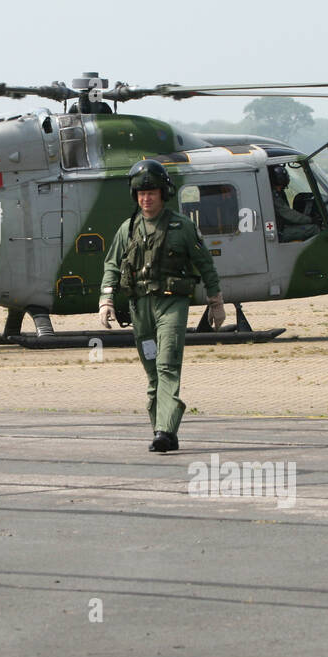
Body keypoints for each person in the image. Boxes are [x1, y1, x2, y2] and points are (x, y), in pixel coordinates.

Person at [98, 159, 225, 454]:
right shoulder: (128, 229)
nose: (146, 198)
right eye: (141, 193)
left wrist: (216, 302)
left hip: (171, 305)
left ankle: (164, 431)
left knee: (167, 365)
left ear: (163, 193)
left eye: (152, 192)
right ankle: (164, 430)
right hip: (140, 309)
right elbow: (112, 265)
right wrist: (106, 299)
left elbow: (205, 265)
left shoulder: (182, 227)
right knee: (153, 371)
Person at [269, 163, 320, 241]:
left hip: (279, 228)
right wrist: (311, 220)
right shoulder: (273, 196)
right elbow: (289, 214)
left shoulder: (273, 193)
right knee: (314, 229)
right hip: (280, 232)